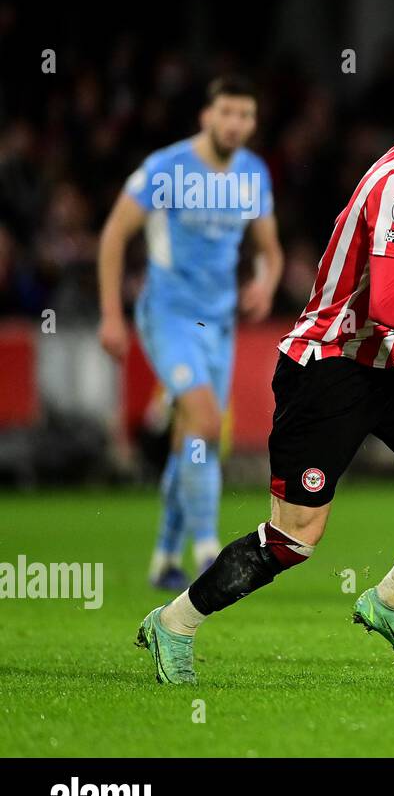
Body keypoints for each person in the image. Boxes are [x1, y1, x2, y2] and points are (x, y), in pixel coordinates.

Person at [135, 43, 394, 685]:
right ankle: (174, 622)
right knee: (293, 540)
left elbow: (370, 276)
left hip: (383, 364)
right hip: (327, 370)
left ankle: (392, 600)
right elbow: (388, 302)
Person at [97, 76, 282, 589]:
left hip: (218, 324)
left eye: (245, 115)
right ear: (206, 116)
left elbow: (271, 249)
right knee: (203, 422)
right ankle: (207, 552)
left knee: (194, 440)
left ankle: (163, 555)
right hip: (169, 317)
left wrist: (265, 285)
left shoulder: (252, 174)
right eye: (227, 112)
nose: (235, 123)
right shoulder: (166, 167)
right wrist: (111, 314)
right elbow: (114, 235)